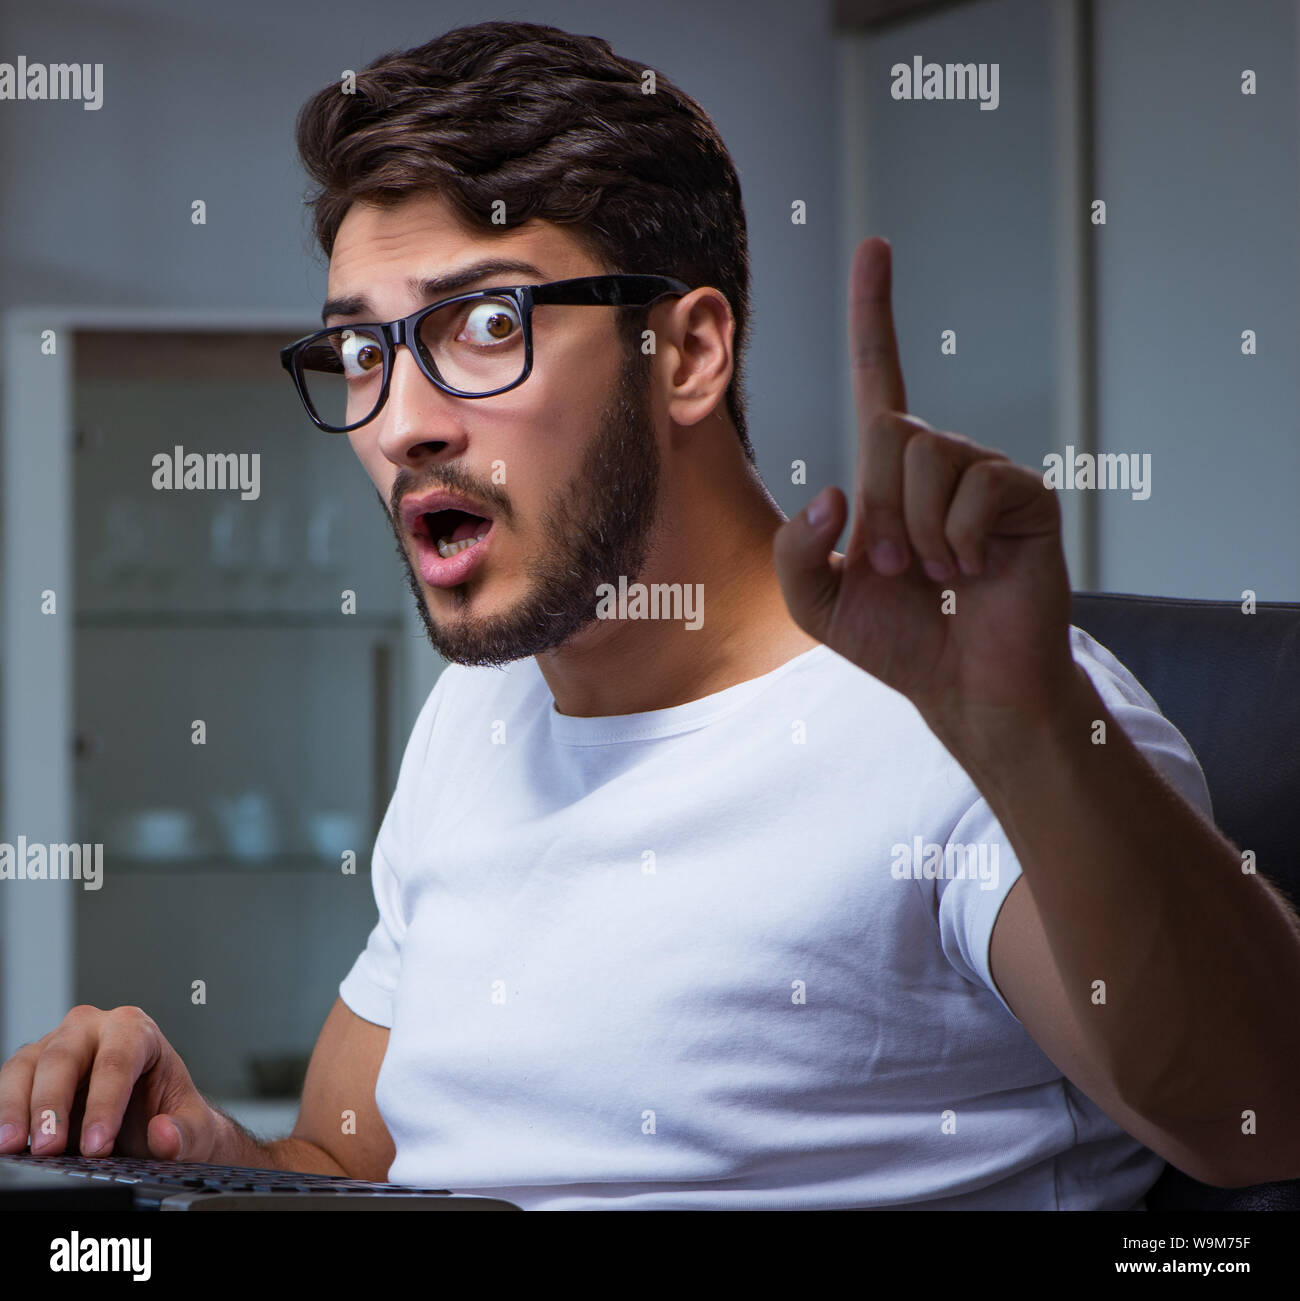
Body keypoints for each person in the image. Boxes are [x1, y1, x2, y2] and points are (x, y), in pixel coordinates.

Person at [3, 20, 1298, 1211]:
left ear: (686, 353)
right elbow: (348, 1160)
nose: (400, 423)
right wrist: (192, 1146)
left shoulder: (959, 719)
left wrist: (1026, 725)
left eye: (486, 324)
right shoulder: (481, 711)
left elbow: (1263, 1116)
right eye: (360, 352)